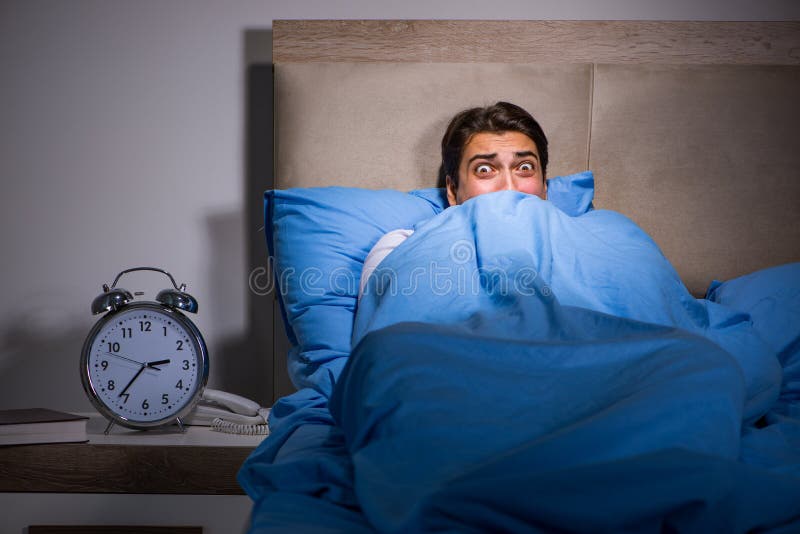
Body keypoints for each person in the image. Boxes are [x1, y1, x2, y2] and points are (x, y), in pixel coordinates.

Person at [359, 102, 550, 297]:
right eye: (484, 169)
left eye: (525, 167)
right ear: (452, 190)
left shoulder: (580, 244)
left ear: (544, 185)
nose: (509, 188)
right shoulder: (400, 248)